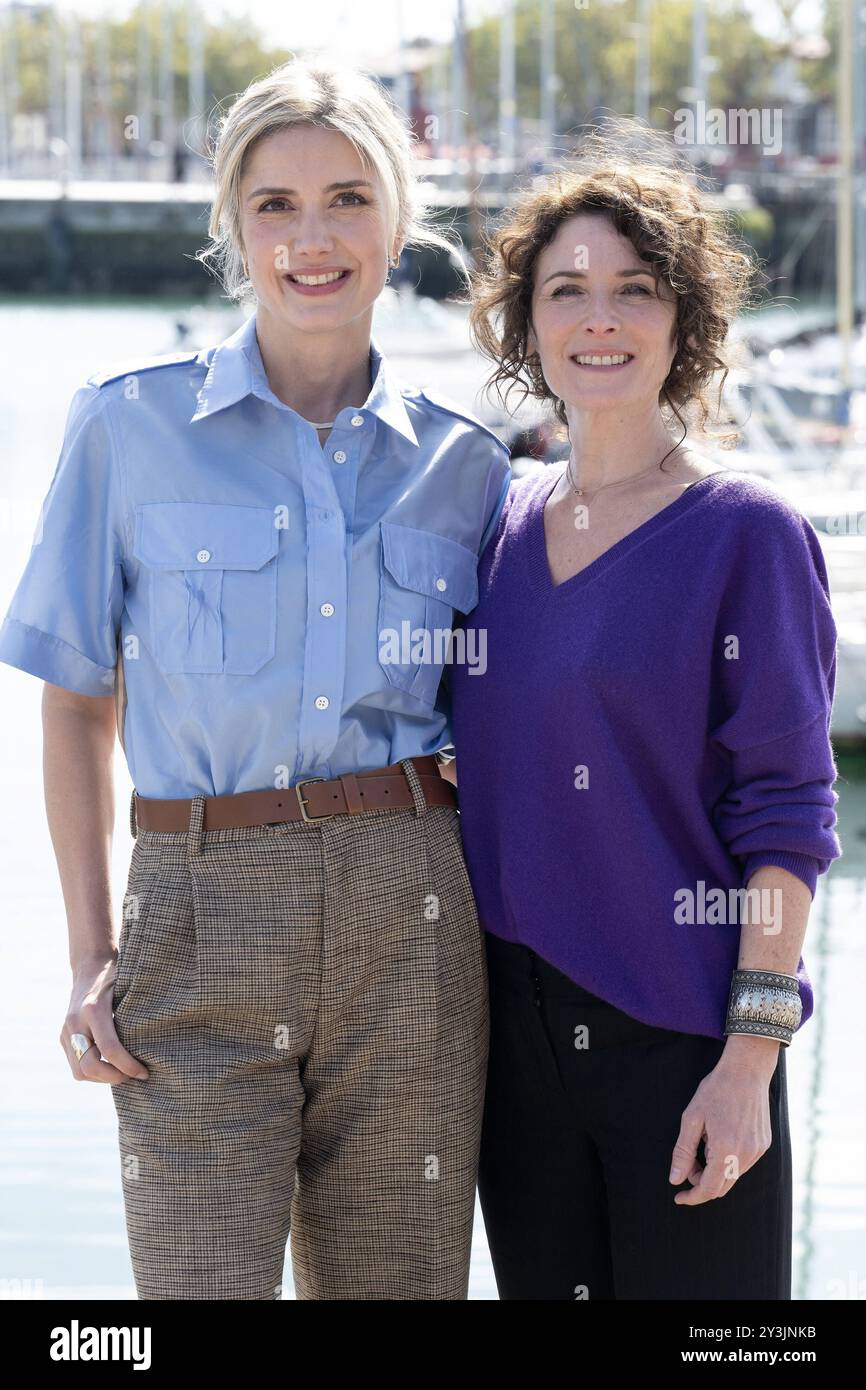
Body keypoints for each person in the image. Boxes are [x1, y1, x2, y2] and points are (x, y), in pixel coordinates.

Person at [0, 58, 511, 1301]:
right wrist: (85, 954)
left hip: (415, 928)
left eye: (346, 198)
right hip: (196, 913)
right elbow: (75, 704)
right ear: (231, 223)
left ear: (397, 222)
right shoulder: (125, 428)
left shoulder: (469, 462)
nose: (313, 237)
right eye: (275, 204)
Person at [449, 121, 842, 1300]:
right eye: (565, 291)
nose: (599, 318)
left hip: (680, 1039)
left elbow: (788, 820)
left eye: (633, 288)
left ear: (683, 321)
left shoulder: (745, 534)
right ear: (526, 328)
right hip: (507, 1045)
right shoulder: (495, 526)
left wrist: (745, 1065)